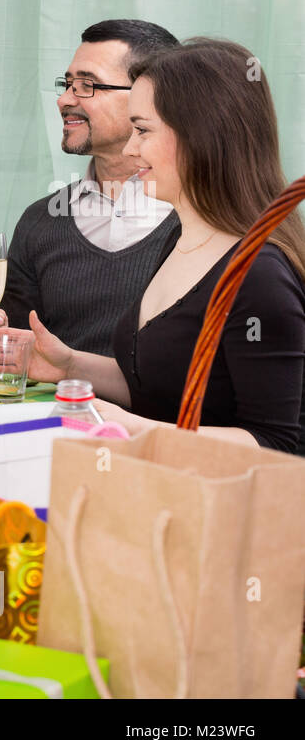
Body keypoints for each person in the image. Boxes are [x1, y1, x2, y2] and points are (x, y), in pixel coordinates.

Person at [25, 39, 305, 453]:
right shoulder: (182, 235)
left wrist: (135, 429)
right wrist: (70, 363)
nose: (129, 147)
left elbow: (279, 444)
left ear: (200, 136)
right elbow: (157, 386)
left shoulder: (259, 275)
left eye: (142, 130)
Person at [0, 20, 180, 357]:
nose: (64, 100)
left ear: (151, 98)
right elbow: (13, 350)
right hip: (55, 409)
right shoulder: (41, 220)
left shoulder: (203, 222)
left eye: (86, 85)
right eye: (67, 84)